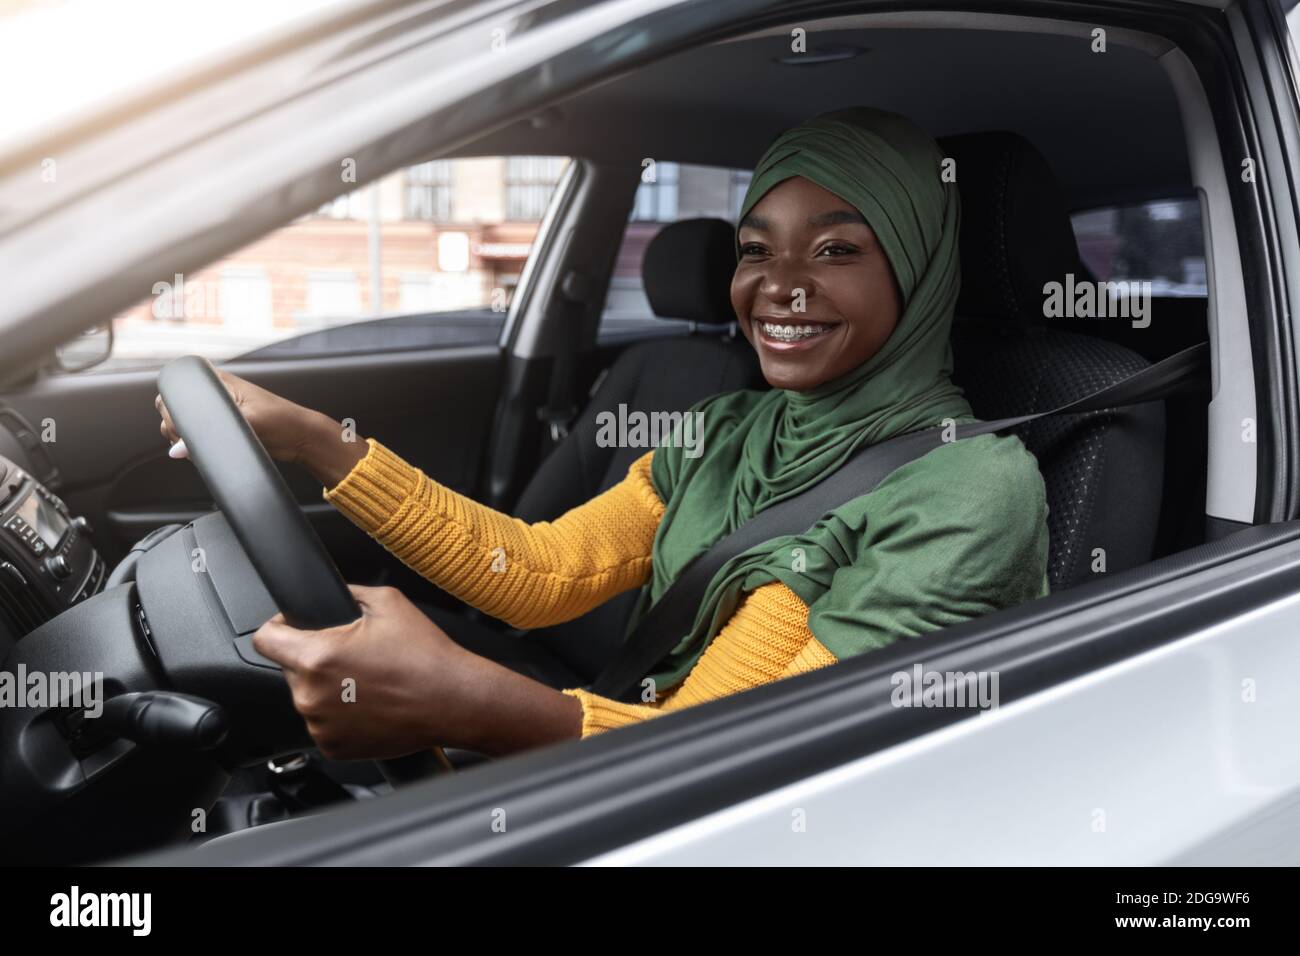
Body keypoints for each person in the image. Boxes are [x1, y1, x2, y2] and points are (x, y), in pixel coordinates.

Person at [156, 106, 1049, 761]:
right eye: (755, 248)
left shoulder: (968, 489)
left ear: (921, 271)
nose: (780, 284)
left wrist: (462, 702)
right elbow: (537, 572)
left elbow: (739, 759)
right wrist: (320, 440)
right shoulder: (725, 429)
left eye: (837, 250)